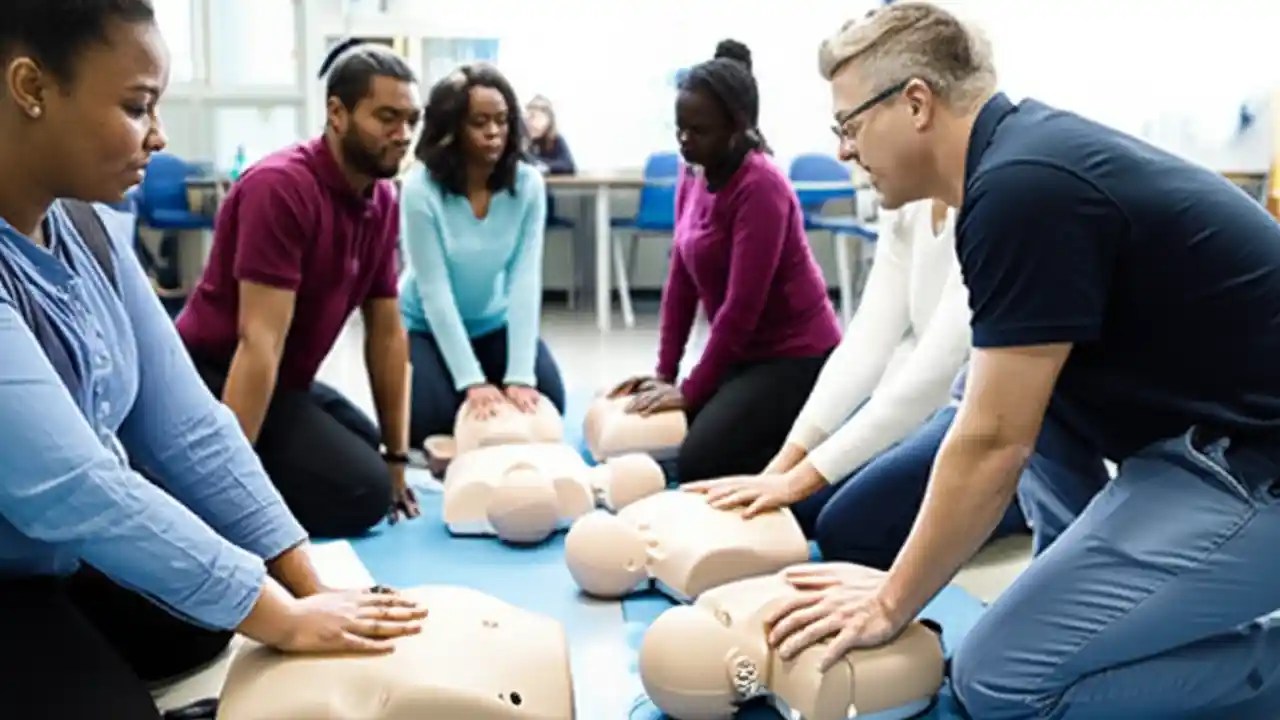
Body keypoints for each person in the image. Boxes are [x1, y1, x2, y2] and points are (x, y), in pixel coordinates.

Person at [763, 4, 1280, 719]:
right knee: (993, 386)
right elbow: (1017, 419)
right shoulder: (1018, 165)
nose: (845, 150)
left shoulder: (1021, 189)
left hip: (1252, 469)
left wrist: (892, 600)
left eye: (848, 126)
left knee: (1000, 681)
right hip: (1207, 454)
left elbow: (992, 445)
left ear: (916, 102)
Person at [0, 3, 426, 719]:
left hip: (54, 554)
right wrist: (281, 616)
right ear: (32, 87)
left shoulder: (87, 225)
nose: (159, 137)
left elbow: (187, 422)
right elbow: (76, 488)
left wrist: (302, 582)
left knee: (204, 624)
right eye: (138, 107)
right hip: (25, 557)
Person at [686, 199, 1026, 568]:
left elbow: (934, 373)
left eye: (850, 136)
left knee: (848, 532)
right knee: (799, 508)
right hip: (934, 404)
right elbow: (866, 342)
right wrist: (780, 470)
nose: (844, 152)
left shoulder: (993, 202)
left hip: (989, 415)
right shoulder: (907, 201)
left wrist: (798, 479)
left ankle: (1020, 498)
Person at [175, 40, 423, 537]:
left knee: (369, 446)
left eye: (412, 120)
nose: (403, 135)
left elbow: (387, 334)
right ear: (337, 113)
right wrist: (228, 494)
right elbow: (258, 342)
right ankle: (187, 480)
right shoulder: (281, 188)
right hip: (211, 375)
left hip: (283, 379)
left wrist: (398, 457)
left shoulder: (383, 198)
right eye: (387, 118)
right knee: (361, 491)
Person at [612, 40, 843, 484]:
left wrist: (692, 390)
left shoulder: (762, 187)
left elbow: (742, 307)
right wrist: (665, 374)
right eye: (679, 129)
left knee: (701, 460)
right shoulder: (692, 170)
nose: (684, 141)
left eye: (698, 131)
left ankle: (814, 440)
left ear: (737, 129)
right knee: (680, 434)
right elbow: (681, 277)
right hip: (744, 353)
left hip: (795, 356)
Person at [399, 63, 566, 448]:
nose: (494, 132)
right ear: (452, 128)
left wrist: (520, 374)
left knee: (548, 401)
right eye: (479, 122)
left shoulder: (527, 184)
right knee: (432, 424)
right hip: (423, 326)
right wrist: (471, 380)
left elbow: (524, 279)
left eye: (502, 120)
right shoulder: (419, 189)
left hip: (493, 323)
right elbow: (434, 292)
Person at [524, 94, 576, 175]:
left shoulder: (556, 139)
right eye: (528, 118)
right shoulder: (524, 140)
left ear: (548, 120)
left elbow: (569, 165)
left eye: (535, 117)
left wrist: (544, 166)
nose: (531, 123)